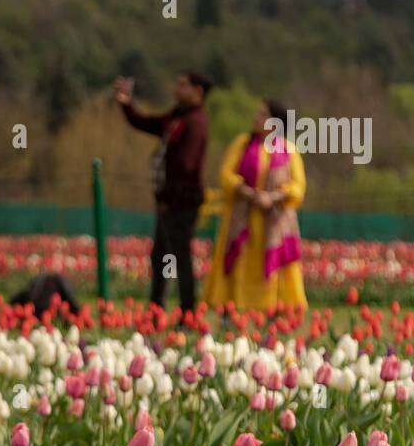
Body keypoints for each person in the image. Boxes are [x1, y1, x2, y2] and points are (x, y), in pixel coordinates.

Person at [113, 72, 211, 314]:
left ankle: (187, 312)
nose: (176, 89)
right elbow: (146, 123)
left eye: (182, 85)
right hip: (168, 203)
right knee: (161, 258)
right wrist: (126, 104)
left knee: (179, 259)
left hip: (181, 204)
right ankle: (156, 310)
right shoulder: (177, 117)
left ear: (198, 91)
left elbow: (185, 166)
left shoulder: (195, 122)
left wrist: (169, 197)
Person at [203, 100, 307, 310]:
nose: (256, 119)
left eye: (263, 115)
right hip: (243, 219)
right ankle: (232, 309)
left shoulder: (288, 150)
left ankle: (273, 310)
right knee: (239, 262)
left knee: (274, 266)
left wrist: (275, 197)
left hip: (274, 222)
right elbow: (225, 174)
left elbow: (298, 187)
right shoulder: (242, 144)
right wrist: (245, 191)